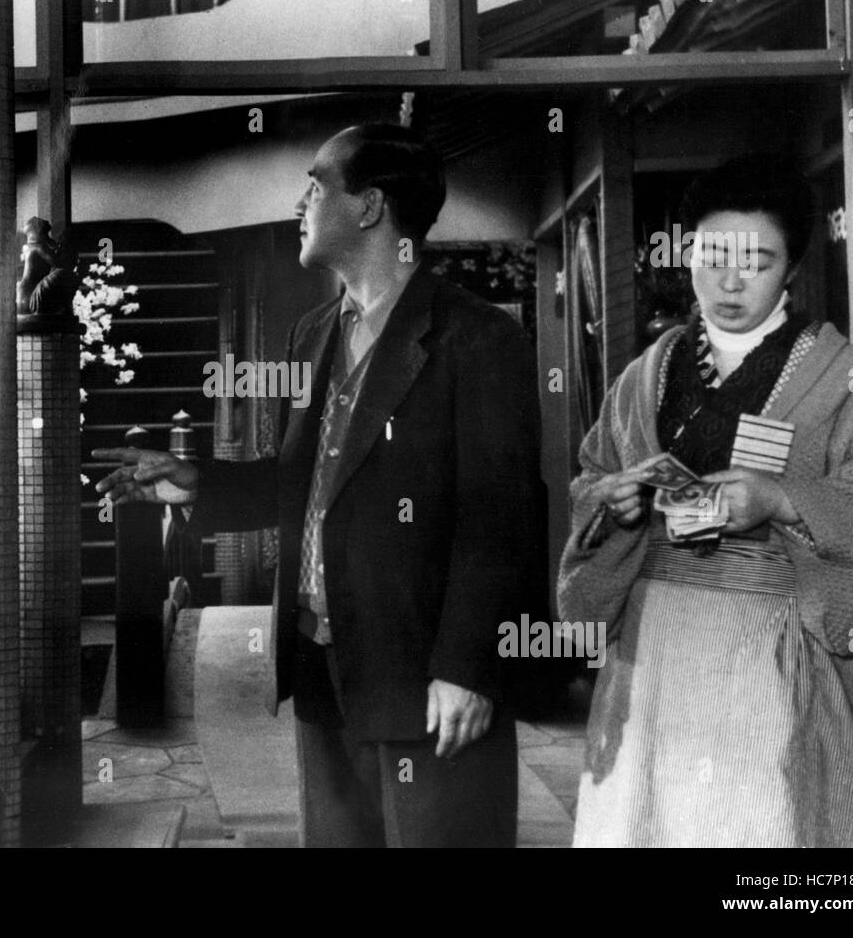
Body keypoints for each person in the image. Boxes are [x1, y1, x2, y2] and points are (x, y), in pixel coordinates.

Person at [95, 123, 542, 847]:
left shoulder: (478, 339)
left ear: (369, 208)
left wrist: (469, 669)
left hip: (425, 679)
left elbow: (502, 521)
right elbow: (306, 484)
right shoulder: (312, 333)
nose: (300, 201)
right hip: (322, 672)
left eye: (317, 184)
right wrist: (195, 485)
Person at [558, 154, 853, 847]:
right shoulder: (644, 375)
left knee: (759, 831)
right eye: (712, 253)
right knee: (646, 820)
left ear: (793, 267)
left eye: (758, 260)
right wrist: (613, 501)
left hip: (768, 652)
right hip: (652, 651)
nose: (729, 279)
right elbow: (590, 475)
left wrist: (779, 497)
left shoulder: (848, 381)